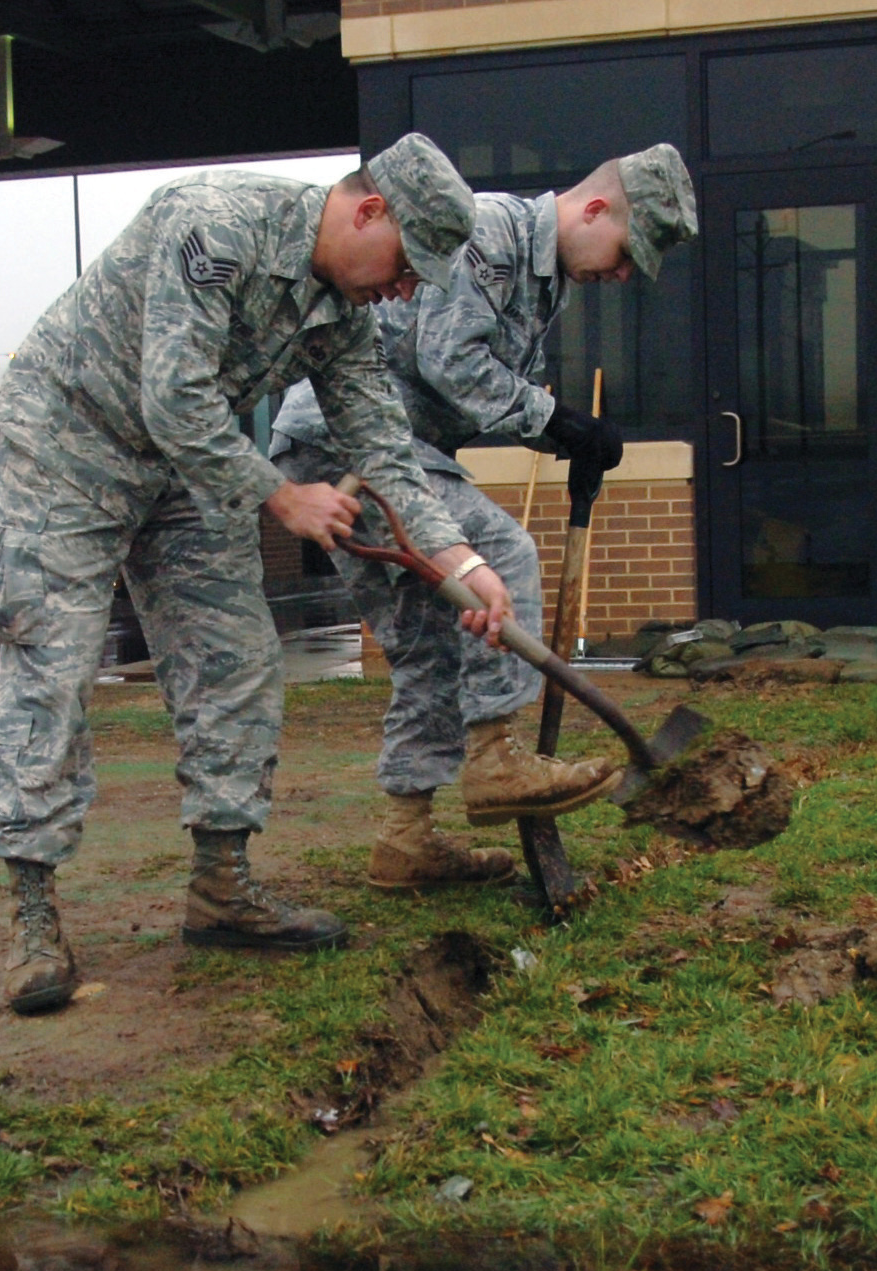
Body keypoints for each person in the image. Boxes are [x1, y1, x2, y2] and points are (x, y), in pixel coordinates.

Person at [0, 135, 516, 1016]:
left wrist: (465, 563)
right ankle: (33, 912)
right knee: (53, 663)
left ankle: (221, 888)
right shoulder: (217, 225)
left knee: (236, 655)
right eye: (408, 265)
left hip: (190, 466)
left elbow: (385, 447)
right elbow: (174, 395)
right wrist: (282, 496)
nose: (406, 289)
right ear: (368, 210)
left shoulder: (345, 313)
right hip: (68, 444)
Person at [270, 145, 699, 891]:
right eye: (629, 252)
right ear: (596, 210)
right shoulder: (490, 235)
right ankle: (496, 756)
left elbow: (475, 376)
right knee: (502, 553)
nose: (625, 274)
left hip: (386, 451)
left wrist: (557, 428)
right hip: (349, 446)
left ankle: (406, 839)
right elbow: (450, 362)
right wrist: (553, 418)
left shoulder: (545, 279)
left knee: (432, 643)